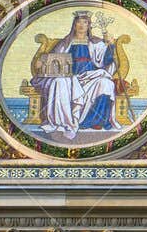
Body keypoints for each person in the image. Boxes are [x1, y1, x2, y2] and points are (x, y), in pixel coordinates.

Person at [30, 10, 121, 140]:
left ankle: (94, 121)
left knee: (106, 83)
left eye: (85, 22)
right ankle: (66, 122)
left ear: (89, 25)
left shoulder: (96, 42)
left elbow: (106, 61)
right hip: (70, 78)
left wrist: (110, 45)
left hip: (90, 77)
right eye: (79, 22)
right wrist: (42, 61)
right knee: (60, 82)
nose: (82, 25)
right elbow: (53, 60)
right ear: (74, 24)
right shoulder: (65, 43)